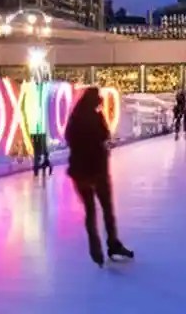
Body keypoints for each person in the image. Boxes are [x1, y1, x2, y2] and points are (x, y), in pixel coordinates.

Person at [65, 87, 134, 267]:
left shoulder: (74, 119)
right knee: (107, 210)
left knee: (90, 210)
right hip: (97, 171)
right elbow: (105, 135)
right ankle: (113, 244)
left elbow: (69, 139)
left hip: (80, 173)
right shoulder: (96, 118)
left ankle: (95, 246)